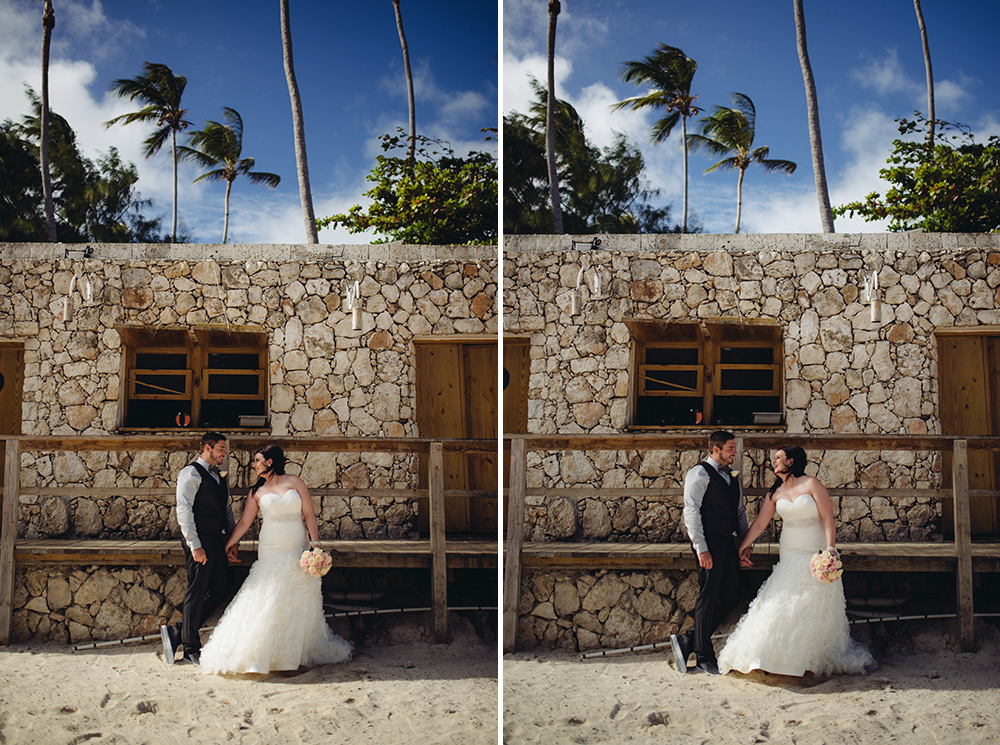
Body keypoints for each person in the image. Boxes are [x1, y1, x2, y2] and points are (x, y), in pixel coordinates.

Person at [716, 446, 874, 676]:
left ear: (791, 461)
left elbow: (828, 518)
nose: (774, 461)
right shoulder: (774, 493)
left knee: (811, 606)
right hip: (789, 552)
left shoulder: (811, 484)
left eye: (778, 457)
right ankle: (769, 657)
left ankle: (808, 659)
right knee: (781, 603)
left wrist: (830, 550)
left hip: (814, 552)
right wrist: (744, 545)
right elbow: (760, 523)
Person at [198, 444, 352, 674]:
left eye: (257, 460)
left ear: (269, 462)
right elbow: (244, 522)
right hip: (271, 546)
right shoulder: (256, 491)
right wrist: (228, 544)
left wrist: (316, 545)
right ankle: (259, 657)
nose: (254, 465)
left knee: (295, 598)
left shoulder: (294, 481)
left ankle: (290, 657)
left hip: (297, 545)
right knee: (269, 596)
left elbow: (309, 514)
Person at [670, 430, 748, 676]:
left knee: (732, 596)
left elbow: (740, 512)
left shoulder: (732, 477)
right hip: (709, 542)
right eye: (730, 448)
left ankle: (688, 640)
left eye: (734, 448)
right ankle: (703, 656)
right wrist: (701, 548)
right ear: (716, 449)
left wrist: (745, 544)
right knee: (708, 596)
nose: (734, 452)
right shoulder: (699, 473)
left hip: (728, 542)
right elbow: (691, 511)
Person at [161, 431, 237, 665]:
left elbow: (227, 510)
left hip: (216, 538)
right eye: (221, 448)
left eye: (225, 449)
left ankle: (177, 632)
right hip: (199, 538)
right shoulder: (190, 473)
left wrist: (232, 541)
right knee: (197, 591)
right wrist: (195, 545)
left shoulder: (219, 476)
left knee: (219, 590)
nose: (225, 453)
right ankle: (190, 647)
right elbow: (183, 510)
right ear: (207, 448)